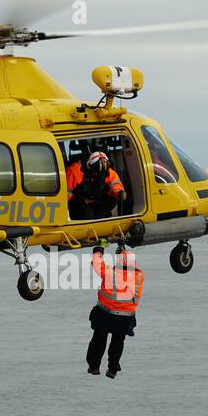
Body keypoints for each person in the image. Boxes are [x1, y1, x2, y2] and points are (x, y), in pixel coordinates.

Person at [86, 242, 144, 378]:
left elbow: (96, 263)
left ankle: (94, 366)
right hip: (125, 317)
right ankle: (113, 369)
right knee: (118, 341)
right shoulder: (139, 277)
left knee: (99, 339)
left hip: (105, 313)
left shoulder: (109, 273)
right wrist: (121, 253)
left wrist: (99, 249)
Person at [68, 150, 126, 221]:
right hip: (81, 203)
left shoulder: (109, 172)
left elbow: (115, 186)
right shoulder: (74, 171)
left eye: (102, 172)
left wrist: (119, 193)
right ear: (89, 166)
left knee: (112, 201)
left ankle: (100, 219)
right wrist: (79, 201)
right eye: (96, 172)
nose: (99, 175)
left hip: (98, 201)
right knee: (87, 214)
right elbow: (66, 194)